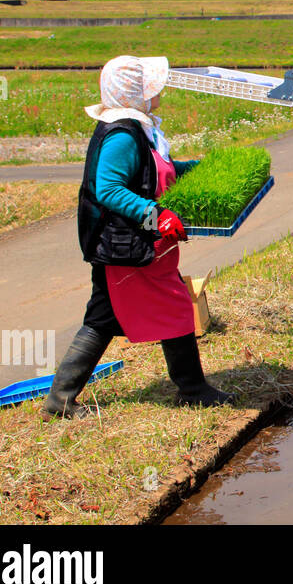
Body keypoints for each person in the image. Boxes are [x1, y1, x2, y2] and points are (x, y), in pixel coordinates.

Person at [44, 55, 235, 417]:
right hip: (125, 245)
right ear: (135, 93)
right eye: (151, 85)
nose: (158, 90)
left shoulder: (136, 128)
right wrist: (157, 215)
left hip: (133, 245)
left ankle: (61, 399)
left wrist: (198, 169)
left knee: (109, 315)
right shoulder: (122, 135)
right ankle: (191, 389)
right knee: (146, 309)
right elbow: (109, 189)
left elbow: (154, 169)